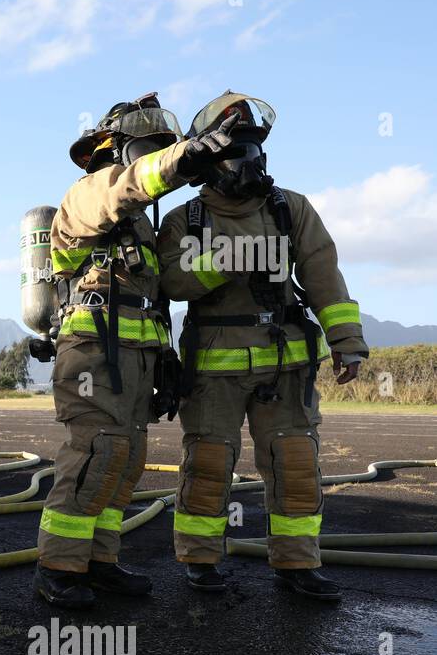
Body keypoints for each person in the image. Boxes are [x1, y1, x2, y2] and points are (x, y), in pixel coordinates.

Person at [157, 92, 367, 601]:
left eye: (253, 149)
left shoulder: (290, 208)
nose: (246, 161)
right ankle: (200, 561)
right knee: (207, 464)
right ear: (208, 160)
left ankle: (297, 565)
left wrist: (347, 342)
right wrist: (228, 260)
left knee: (295, 463)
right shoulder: (186, 219)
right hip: (213, 368)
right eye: (235, 150)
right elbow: (172, 283)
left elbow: (324, 276)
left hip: (287, 365)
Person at [36, 93, 241, 608]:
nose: (155, 156)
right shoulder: (89, 193)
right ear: (116, 149)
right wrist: (183, 157)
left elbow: (155, 298)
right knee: (93, 454)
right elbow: (125, 189)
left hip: (135, 361)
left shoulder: (142, 228)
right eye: (147, 147)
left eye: (161, 148)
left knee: (125, 460)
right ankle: (58, 566)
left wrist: (166, 357)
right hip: (91, 357)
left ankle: (99, 561)